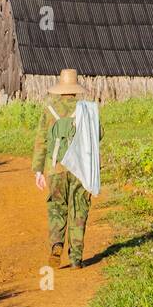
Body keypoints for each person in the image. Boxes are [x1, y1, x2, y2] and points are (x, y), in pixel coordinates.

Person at [32, 68, 101, 269]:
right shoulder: (86, 109)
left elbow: (41, 140)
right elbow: (99, 134)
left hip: (56, 168)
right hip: (80, 167)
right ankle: (76, 258)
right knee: (79, 209)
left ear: (60, 88)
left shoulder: (49, 109)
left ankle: (56, 244)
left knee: (56, 207)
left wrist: (38, 171)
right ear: (75, 88)